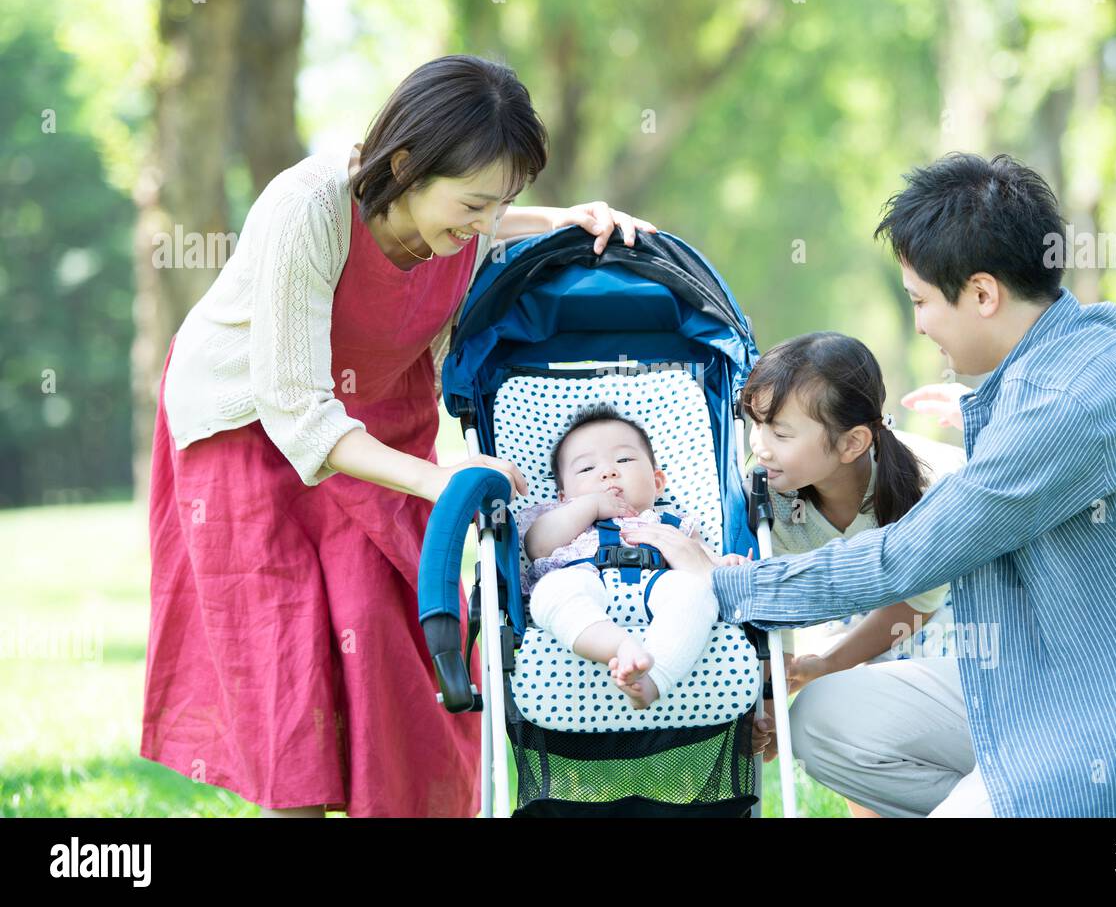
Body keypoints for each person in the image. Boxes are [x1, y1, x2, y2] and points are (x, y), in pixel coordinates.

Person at [624, 153, 1116, 817]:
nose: (918, 324)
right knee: (825, 716)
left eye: (920, 301)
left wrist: (721, 580)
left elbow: (904, 556)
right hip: (1066, 683)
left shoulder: (1065, 402)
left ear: (982, 294)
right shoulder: (1091, 335)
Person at [143, 55, 657, 817]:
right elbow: (301, 415)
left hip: (378, 422)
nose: (484, 226)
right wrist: (441, 479)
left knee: (394, 648)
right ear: (406, 163)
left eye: (501, 204)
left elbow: (488, 227)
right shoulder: (308, 208)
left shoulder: (463, 230)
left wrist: (560, 218)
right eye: (474, 202)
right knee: (289, 668)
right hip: (252, 429)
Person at [738, 331, 965, 816]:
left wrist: (830, 663)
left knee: (869, 699)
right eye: (755, 424)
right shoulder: (765, 496)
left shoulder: (928, 491)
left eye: (780, 433)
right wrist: (774, 699)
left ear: (853, 442)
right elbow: (776, 601)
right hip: (869, 610)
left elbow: (916, 608)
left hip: (958, 625)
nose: (761, 446)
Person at [519, 404, 747, 709]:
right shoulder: (564, 519)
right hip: (586, 582)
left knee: (697, 593)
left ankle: (653, 679)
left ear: (657, 482)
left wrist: (721, 565)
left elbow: (699, 560)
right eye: (587, 469)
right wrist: (589, 507)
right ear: (563, 497)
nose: (608, 471)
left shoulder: (672, 522)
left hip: (657, 586)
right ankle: (620, 647)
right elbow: (537, 546)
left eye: (624, 459)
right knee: (550, 592)